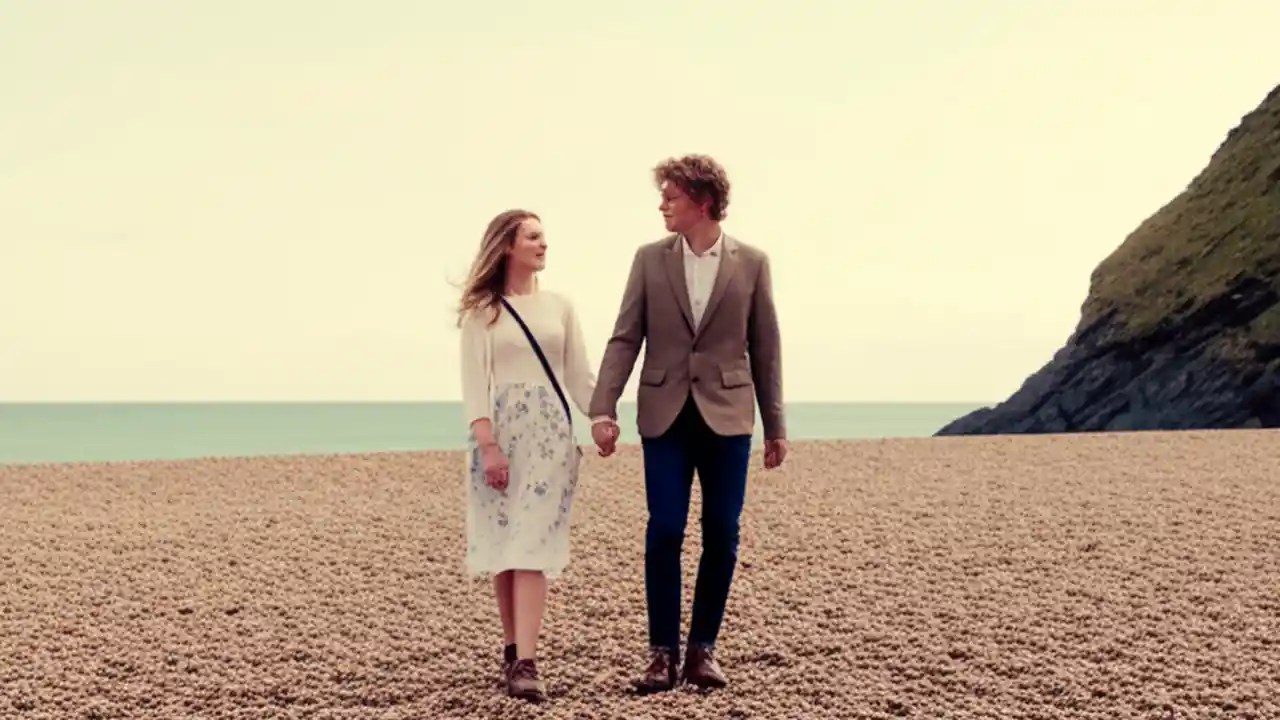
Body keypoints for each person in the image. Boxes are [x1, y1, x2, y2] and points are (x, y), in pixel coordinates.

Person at [588, 154, 788, 693]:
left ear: (703, 202)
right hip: (665, 414)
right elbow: (625, 335)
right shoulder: (649, 259)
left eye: (671, 198)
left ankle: (703, 650)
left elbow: (765, 347)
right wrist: (603, 408)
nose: (662, 206)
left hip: (728, 417)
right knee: (666, 529)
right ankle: (661, 654)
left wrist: (776, 426)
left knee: (722, 532)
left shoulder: (752, 262)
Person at [457, 208, 600, 702]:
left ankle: (528, 663)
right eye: (534, 237)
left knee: (532, 543)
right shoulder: (484, 312)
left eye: (544, 236)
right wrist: (488, 446)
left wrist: (602, 417)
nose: (544, 244)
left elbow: (580, 377)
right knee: (504, 544)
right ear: (508, 246)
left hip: (550, 436)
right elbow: (474, 386)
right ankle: (513, 649)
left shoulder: (560, 306)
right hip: (500, 437)